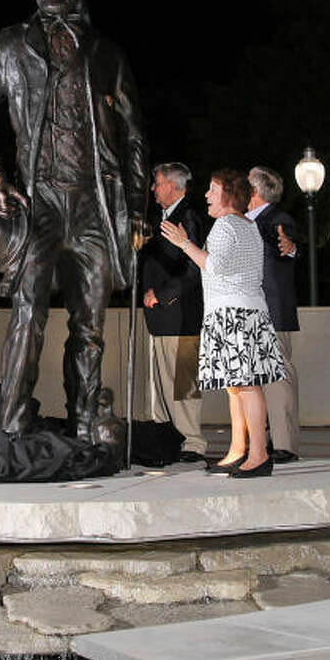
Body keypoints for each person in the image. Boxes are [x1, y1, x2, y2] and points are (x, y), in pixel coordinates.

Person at [0, 0, 148, 440]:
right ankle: (13, 424)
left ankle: (86, 420)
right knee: (28, 314)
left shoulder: (106, 53)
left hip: (94, 204)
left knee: (91, 327)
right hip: (39, 202)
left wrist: (138, 206)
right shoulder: (11, 45)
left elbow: (134, 136)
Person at [161, 168, 285, 478]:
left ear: (229, 195)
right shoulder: (248, 225)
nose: (206, 195)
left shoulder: (226, 226)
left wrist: (184, 243)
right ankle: (238, 450)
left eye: (213, 190)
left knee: (245, 385)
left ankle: (257, 453)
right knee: (236, 387)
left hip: (234, 315)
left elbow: (214, 267)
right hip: (245, 312)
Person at [140, 162, 207, 462]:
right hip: (162, 317)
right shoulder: (159, 219)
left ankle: (193, 443)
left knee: (183, 383)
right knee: (167, 383)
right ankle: (174, 439)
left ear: (174, 186)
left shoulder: (189, 217)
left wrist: (162, 294)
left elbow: (195, 269)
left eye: (157, 182)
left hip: (182, 315)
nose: (153, 188)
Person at [247, 166, 301, 463]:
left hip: (272, 312)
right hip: (248, 311)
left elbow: (287, 243)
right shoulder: (241, 221)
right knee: (254, 380)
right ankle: (261, 440)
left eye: (245, 186)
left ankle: (285, 444)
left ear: (255, 192)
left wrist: (290, 247)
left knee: (278, 378)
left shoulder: (277, 219)